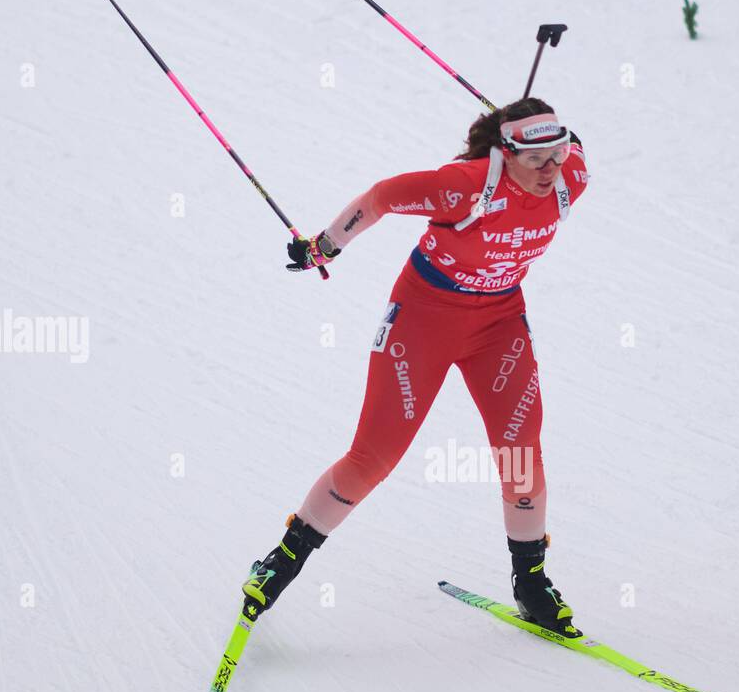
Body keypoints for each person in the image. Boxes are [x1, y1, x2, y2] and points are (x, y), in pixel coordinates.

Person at [242, 97, 590, 637]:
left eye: (558, 151)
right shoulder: (462, 186)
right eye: (535, 157)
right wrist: (324, 247)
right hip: (423, 321)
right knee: (372, 457)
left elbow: (567, 150)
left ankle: (531, 581)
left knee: (522, 453)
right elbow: (381, 198)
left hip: (499, 323)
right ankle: (281, 561)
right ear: (505, 151)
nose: (551, 169)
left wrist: (547, 139)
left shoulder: (573, 174)